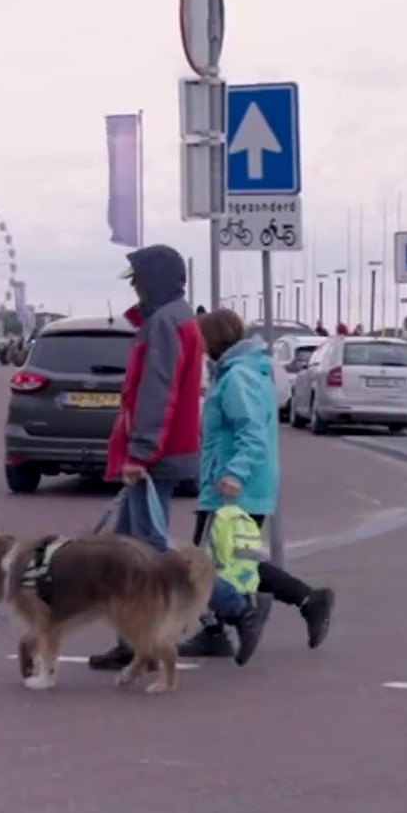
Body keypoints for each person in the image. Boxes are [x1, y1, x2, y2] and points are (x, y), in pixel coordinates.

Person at [89, 246, 268, 671]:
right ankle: (134, 640)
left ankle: (235, 605)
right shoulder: (171, 320)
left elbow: (159, 392)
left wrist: (140, 453)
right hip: (158, 453)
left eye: (136, 277)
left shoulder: (166, 324)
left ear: (154, 278)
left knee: (150, 554)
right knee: (124, 553)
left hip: (156, 457)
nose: (133, 285)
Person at [170, 309, 336, 660]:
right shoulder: (241, 372)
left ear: (214, 340)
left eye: (201, 342)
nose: (198, 350)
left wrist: (234, 473)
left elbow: (252, 433)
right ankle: (218, 632)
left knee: (205, 565)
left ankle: (306, 599)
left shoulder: (237, 378)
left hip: (232, 488)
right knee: (224, 563)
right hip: (234, 483)